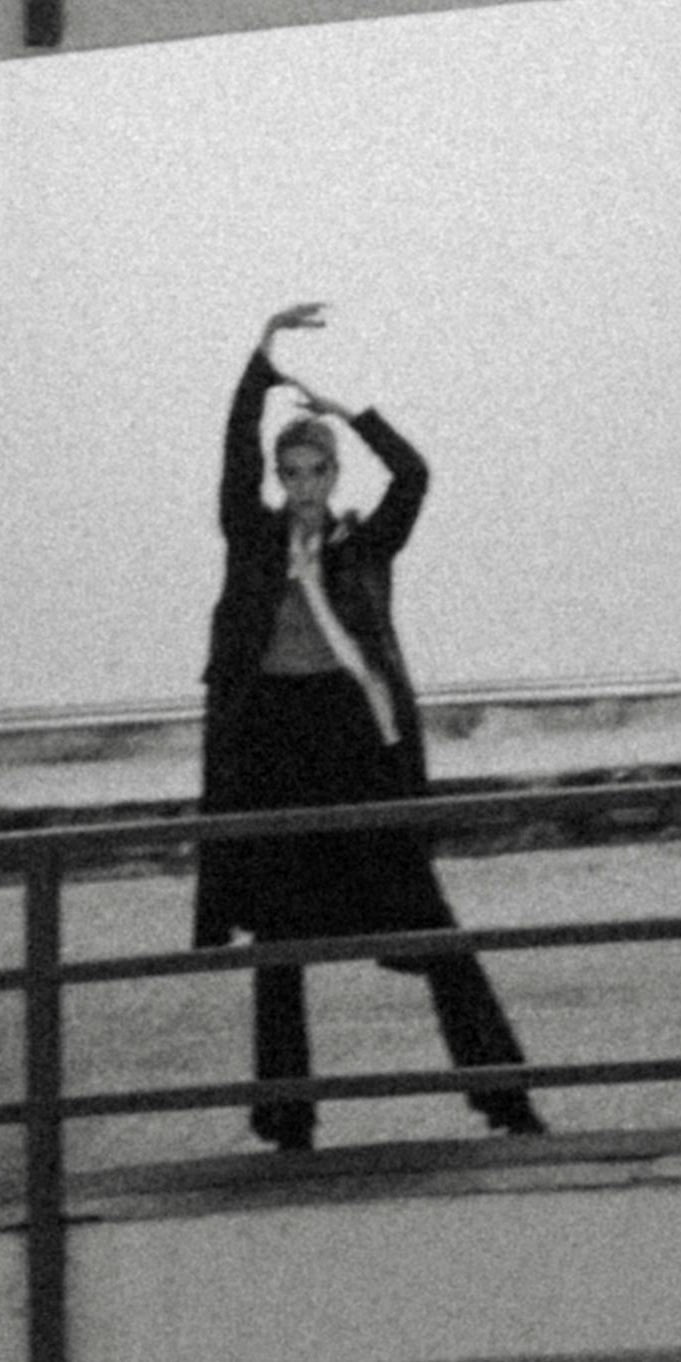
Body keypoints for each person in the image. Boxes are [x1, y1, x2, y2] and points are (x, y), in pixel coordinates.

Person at [195, 300, 542, 1154]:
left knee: (430, 923)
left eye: (317, 471)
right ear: (281, 479)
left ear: (333, 477)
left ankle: (507, 1103)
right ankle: (287, 1121)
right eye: (294, 473)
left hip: (356, 750)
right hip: (276, 748)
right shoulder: (253, 540)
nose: (303, 486)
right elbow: (234, 461)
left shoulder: (364, 549)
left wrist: (352, 413)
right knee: (279, 943)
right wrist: (261, 362)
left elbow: (415, 476)